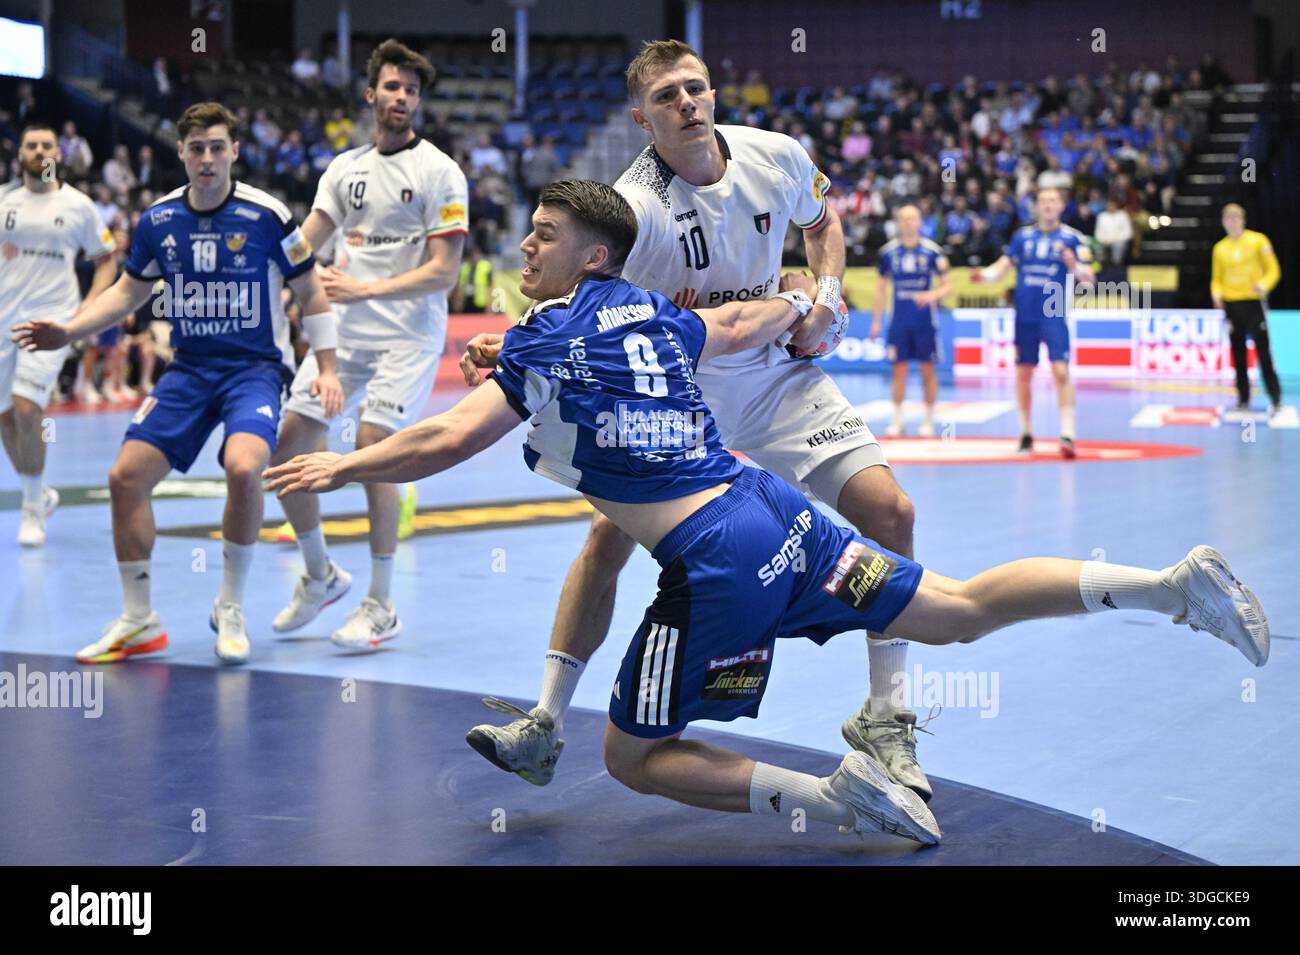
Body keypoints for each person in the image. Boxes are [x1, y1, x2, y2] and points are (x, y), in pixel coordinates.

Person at [266, 179, 1270, 847]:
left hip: (712, 558)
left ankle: (834, 795)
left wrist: (342, 466)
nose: (524, 245)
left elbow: (444, 442)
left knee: (630, 756)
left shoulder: (539, 340)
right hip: (779, 517)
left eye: (544, 236)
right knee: (956, 607)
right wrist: (803, 298)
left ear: (594, 258)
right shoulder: (653, 313)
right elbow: (734, 320)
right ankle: (1172, 586)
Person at [460, 41, 931, 799]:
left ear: (714, 95)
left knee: (892, 511)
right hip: (678, 386)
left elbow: (824, 225)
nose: (688, 103)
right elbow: (571, 302)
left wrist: (827, 298)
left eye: (697, 88)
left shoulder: (775, 156)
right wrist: (511, 340)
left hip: (776, 373)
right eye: (669, 97)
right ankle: (544, 722)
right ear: (642, 118)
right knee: (607, 536)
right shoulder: (634, 206)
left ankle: (886, 714)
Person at [13, 101, 344, 664]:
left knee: (245, 468)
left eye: (218, 147)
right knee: (125, 477)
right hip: (188, 371)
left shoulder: (268, 216)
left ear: (234, 151)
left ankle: (230, 605)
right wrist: (68, 330)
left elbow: (311, 293)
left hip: (255, 370)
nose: (207, 158)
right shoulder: (160, 221)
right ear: (183, 155)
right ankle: (139, 619)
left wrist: (329, 368)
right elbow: (126, 292)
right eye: (196, 149)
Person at [268, 39, 467, 650]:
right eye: (392, 86)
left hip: (406, 336)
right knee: (290, 443)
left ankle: (382, 602)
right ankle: (321, 573)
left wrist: (364, 287)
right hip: (343, 334)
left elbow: (445, 272)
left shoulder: (438, 170)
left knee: (377, 447)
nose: (401, 96)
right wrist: (279, 279)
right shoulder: (344, 169)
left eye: (411, 88)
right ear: (370, 94)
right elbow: (305, 240)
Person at [0, 124, 118, 546]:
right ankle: (40, 493)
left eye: (46, 145)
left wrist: (89, 305)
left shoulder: (79, 206)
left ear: (58, 154)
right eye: (31, 145)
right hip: (3, 320)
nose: (38, 151)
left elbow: (107, 257)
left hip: (50, 321)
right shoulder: (5, 201)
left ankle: (32, 508)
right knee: (7, 417)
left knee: (28, 406)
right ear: (22, 154)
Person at [973, 187, 1095, 457]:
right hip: (1025, 316)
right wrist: (984, 275)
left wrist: (1074, 265)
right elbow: (1002, 266)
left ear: (1061, 206)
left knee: (1061, 372)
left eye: (1053, 201)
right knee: (1023, 374)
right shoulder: (1022, 237)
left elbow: (1090, 279)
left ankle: (1067, 435)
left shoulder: (1074, 239)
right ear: (1037, 206)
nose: (1048, 205)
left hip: (1054, 315)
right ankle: (1026, 433)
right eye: (1043, 201)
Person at [871, 205, 951, 437]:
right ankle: (897, 420)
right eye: (903, 219)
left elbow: (948, 287)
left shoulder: (932, 252)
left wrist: (931, 295)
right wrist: (876, 321)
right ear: (898, 222)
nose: (908, 223)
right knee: (899, 370)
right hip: (899, 322)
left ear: (919, 222)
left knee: (928, 369)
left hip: (926, 322)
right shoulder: (888, 253)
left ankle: (928, 420)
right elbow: (880, 289)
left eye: (912, 218)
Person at [1211, 204, 1282, 415]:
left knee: (1264, 352)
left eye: (1236, 217)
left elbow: (1274, 270)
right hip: (1232, 306)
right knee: (1238, 354)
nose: (1232, 221)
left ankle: (1275, 397)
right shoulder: (1219, 248)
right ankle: (1243, 399)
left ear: (1243, 219)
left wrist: (1264, 285)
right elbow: (1216, 279)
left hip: (1253, 303)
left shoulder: (1258, 241)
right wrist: (1216, 294)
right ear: (1223, 222)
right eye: (1228, 218)